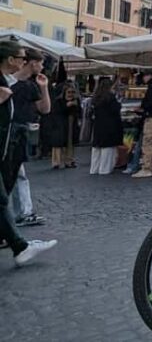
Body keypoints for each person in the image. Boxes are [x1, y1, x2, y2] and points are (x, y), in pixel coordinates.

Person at [0, 39, 57, 265]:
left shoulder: (20, 83)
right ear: (12, 60)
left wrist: (43, 88)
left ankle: (19, 246)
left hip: (11, 140)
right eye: (22, 58)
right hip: (7, 140)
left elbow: (45, 109)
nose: (25, 62)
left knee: (4, 195)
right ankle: (19, 246)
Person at [10, 48, 50, 227]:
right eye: (41, 63)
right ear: (32, 63)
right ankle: (21, 213)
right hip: (8, 131)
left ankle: (23, 212)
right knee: (16, 175)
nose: (42, 67)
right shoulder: (8, 81)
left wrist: (44, 87)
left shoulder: (32, 85)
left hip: (20, 132)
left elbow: (45, 109)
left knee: (19, 174)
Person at [48, 82, 80, 169]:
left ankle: (69, 161)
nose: (71, 94)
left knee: (70, 142)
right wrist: (67, 106)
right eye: (69, 92)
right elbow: (56, 112)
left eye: (73, 92)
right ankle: (56, 162)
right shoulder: (58, 101)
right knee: (58, 143)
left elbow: (78, 112)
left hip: (71, 123)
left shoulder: (76, 101)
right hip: (59, 124)